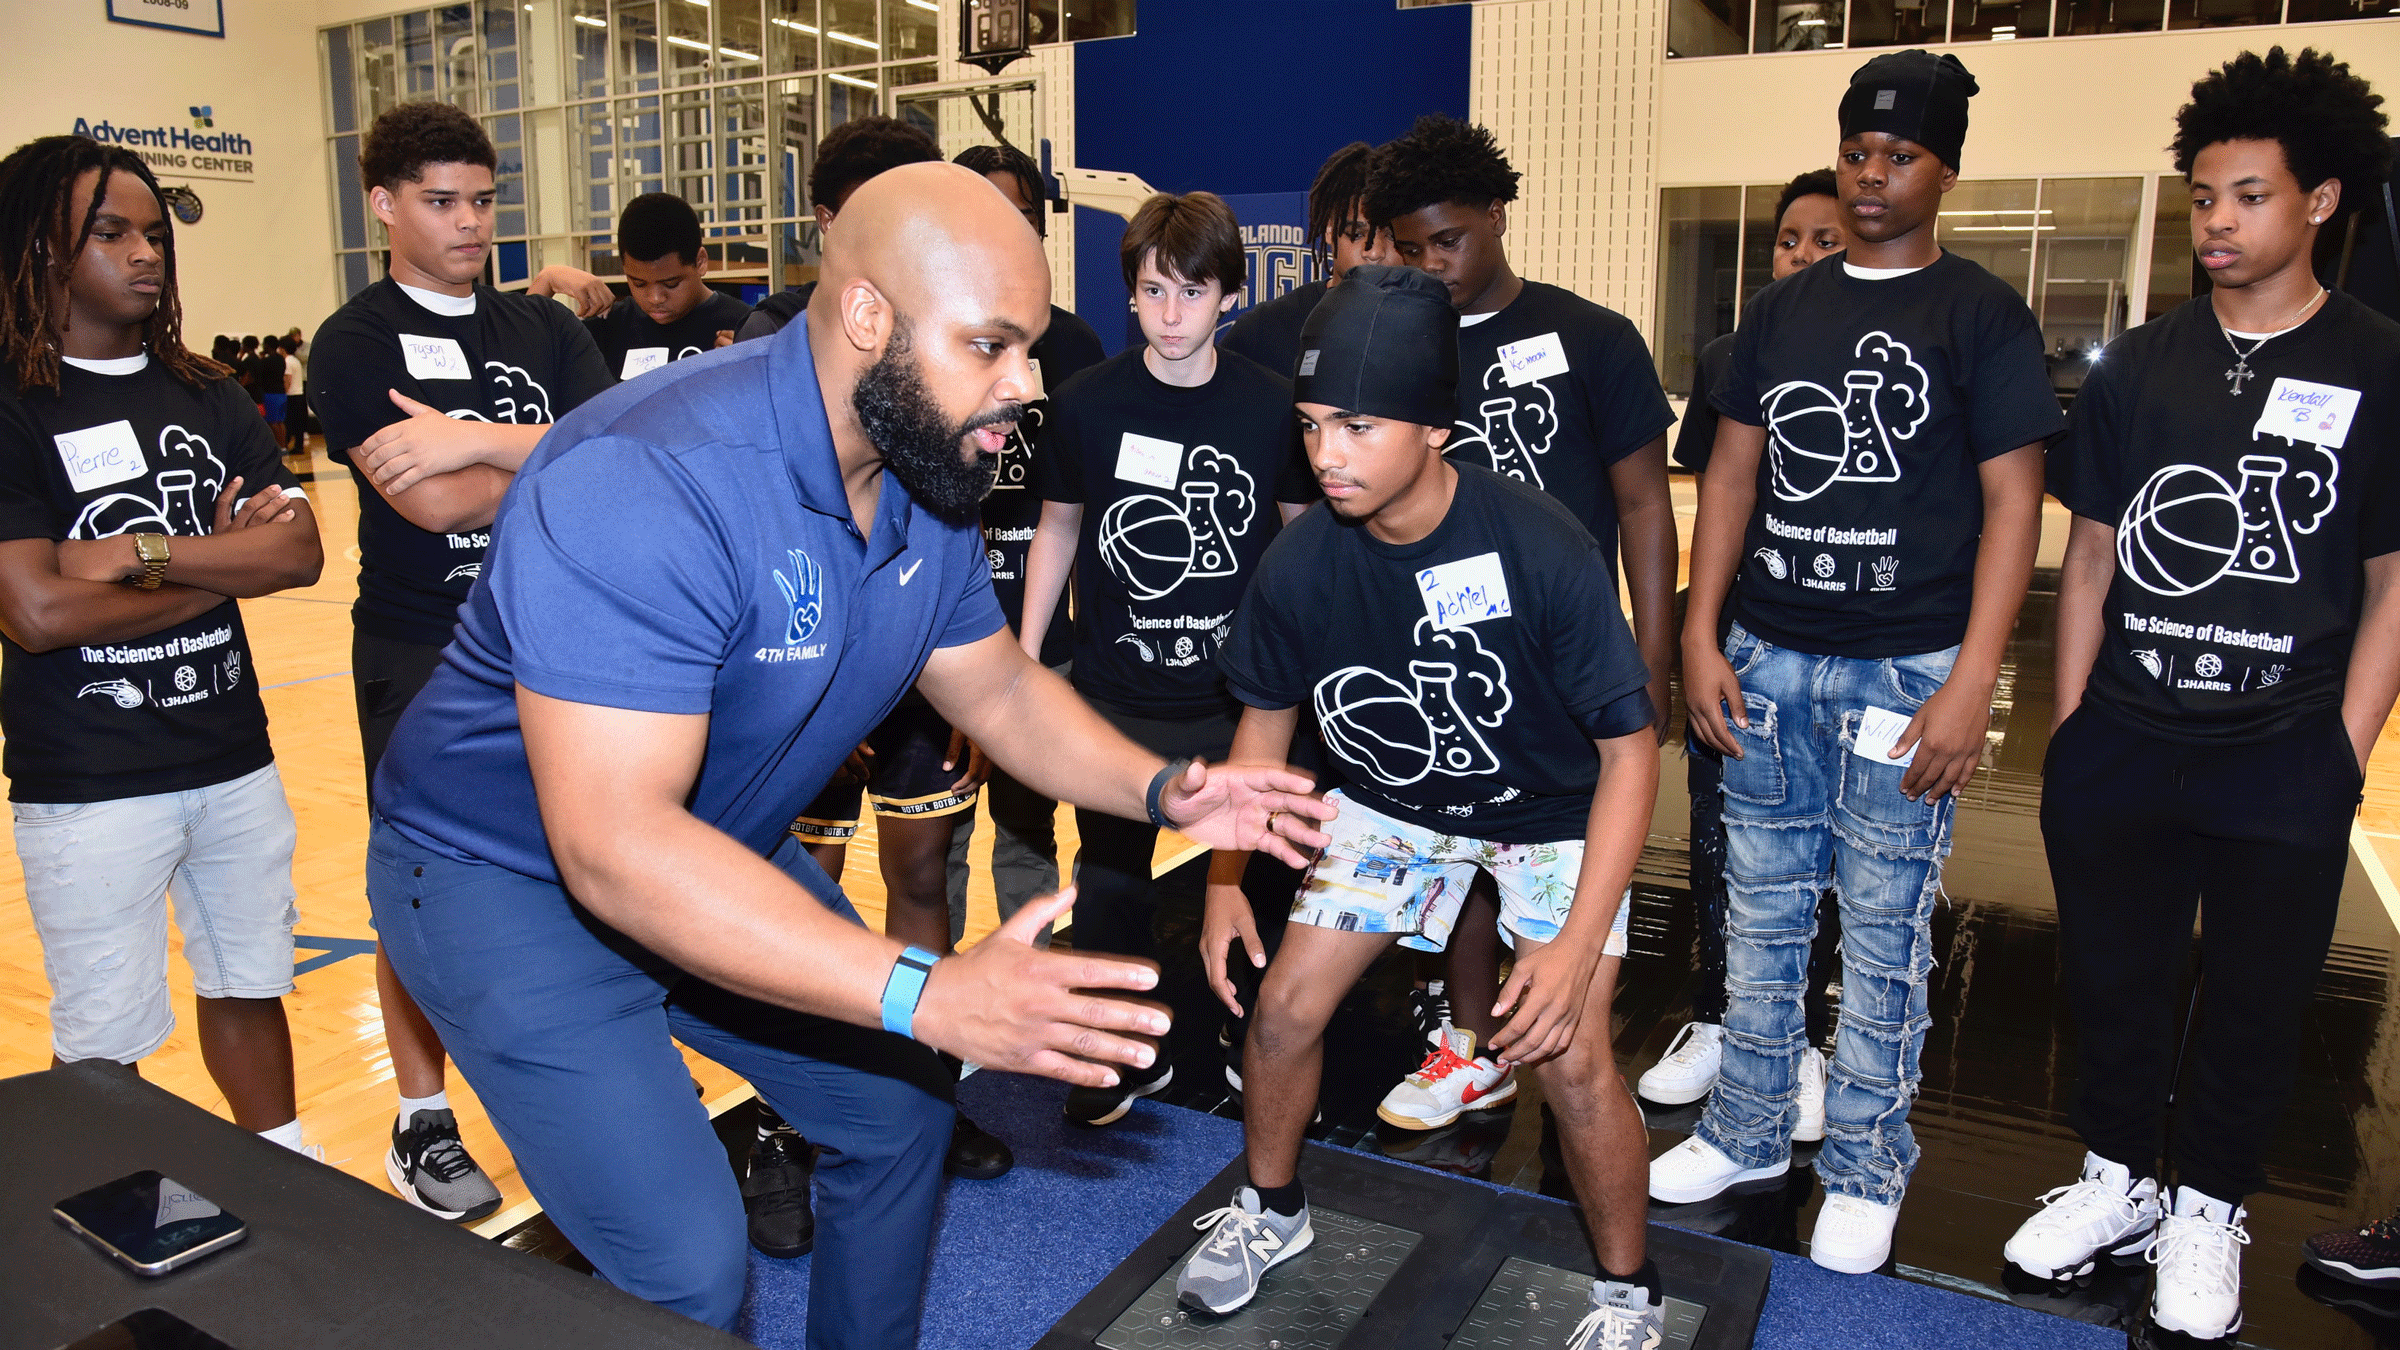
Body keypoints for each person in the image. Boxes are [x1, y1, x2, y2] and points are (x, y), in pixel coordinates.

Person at [360, 160, 1332, 1341]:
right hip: (502, 886)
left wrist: (1169, 787)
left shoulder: (924, 471)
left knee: (900, 1118)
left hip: (705, 846)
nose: (1024, 388)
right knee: (687, 1269)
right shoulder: (650, 476)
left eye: (1029, 348)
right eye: (990, 346)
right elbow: (612, 846)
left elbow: (999, 687)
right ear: (869, 316)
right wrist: (926, 990)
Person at [1185, 265, 1664, 1347]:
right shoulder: (1302, 562)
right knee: (1286, 1009)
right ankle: (1272, 1212)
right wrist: (1223, 883)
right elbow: (1262, 728)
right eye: (1311, 426)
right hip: (1395, 803)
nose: (1326, 454)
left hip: (1549, 813)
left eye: (1357, 424)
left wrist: (1581, 942)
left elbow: (1633, 753)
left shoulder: (1544, 548)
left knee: (1574, 1058)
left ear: (1436, 430)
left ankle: (1628, 1297)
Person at [2004, 47, 2398, 1341]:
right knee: (2114, 979)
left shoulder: (2378, 365)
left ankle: (2210, 1202)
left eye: (2247, 196)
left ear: (2322, 202)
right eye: (2203, 198)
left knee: (2254, 994)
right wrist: (2072, 725)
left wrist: (2341, 749)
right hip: (2124, 736)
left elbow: (2395, 575)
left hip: (2283, 748)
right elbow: (2100, 548)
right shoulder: (2139, 367)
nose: (2217, 221)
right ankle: (2120, 1178)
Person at [1658, 49, 2063, 1274]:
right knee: (1762, 919)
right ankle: (1747, 1127)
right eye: (1857, 154)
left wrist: (1969, 684)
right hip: (1769, 658)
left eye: (1899, 158)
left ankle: (1870, 1162)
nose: (1873, 176)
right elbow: (1729, 475)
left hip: (1905, 675)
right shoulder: (1783, 310)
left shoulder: (1982, 312)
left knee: (1886, 932)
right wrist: (1696, 629)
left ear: (1947, 169)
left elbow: (2014, 506)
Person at [308, 100, 611, 1223]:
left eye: (483, 200)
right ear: (382, 204)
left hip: (560, 639)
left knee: (582, 854)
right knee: (423, 880)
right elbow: (430, 508)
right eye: (441, 202)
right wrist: (543, 459)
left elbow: (617, 450)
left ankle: (601, 1064)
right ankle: (421, 1118)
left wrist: (476, 436)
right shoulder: (355, 340)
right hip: (422, 646)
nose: (470, 223)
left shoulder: (542, 330)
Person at [0, 136, 322, 1152]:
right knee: (104, 1039)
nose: (146, 254)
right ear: (41, 248)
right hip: (90, 780)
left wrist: (131, 556)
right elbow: (36, 613)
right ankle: (102, 1225)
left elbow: (299, 550)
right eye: (111, 233)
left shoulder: (210, 393)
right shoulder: (13, 407)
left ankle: (292, 1175)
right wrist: (207, 564)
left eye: (153, 234)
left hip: (232, 756)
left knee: (252, 981)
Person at [1364, 112, 1679, 1131]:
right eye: (1410, 249)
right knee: (1462, 858)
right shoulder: (1401, 349)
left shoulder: (1592, 338)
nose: (1431, 266)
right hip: (1440, 653)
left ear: (1497, 214)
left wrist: (1654, 661)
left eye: (1448, 241)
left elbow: (1643, 505)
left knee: (1562, 875)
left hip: (1567, 663)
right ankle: (1471, 1047)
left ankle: (1575, 1065)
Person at [1018, 189, 1318, 1126]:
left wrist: (1305, 678)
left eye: (1193, 291)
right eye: (1153, 292)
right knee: (1109, 886)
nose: (1172, 313)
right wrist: (1025, 662)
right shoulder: (1084, 405)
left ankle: (1245, 1037)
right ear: (1131, 296)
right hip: (1118, 697)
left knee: (1258, 876)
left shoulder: (1272, 410)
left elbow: (1303, 547)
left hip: (1242, 703)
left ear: (1230, 293)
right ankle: (1119, 1056)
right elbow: (1057, 533)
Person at [1640, 168, 1848, 1115]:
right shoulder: (1736, 355)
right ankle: (1721, 1018)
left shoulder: (1894, 350)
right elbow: (1708, 499)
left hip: (1847, 644)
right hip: (1740, 638)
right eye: (1789, 240)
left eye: (1827, 242)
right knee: (1723, 837)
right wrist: (1695, 630)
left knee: (1827, 846)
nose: (1802, 258)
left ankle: (1801, 1034)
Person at [941, 142, 1108, 948]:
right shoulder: (926, 343)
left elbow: (1086, 510)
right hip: (935, 639)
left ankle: (1027, 976)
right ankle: (925, 1017)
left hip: (1045, 633)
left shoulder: (1075, 350)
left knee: (1025, 829)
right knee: (931, 842)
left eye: (1016, 212)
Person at [736, 116, 944, 343]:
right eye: (874, 215)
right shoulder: (776, 330)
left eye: (910, 216)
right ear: (827, 220)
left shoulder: (948, 322)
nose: (894, 232)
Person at [1216, 141, 1392, 379]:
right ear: (1329, 231)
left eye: (1391, 235)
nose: (1375, 252)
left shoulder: (1435, 330)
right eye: (1357, 234)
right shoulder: (1268, 330)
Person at [585, 192, 750, 381]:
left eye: (671, 284)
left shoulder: (743, 327)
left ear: (701, 262)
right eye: (639, 283)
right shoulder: (608, 329)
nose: (655, 298)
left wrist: (751, 370)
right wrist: (549, 280)